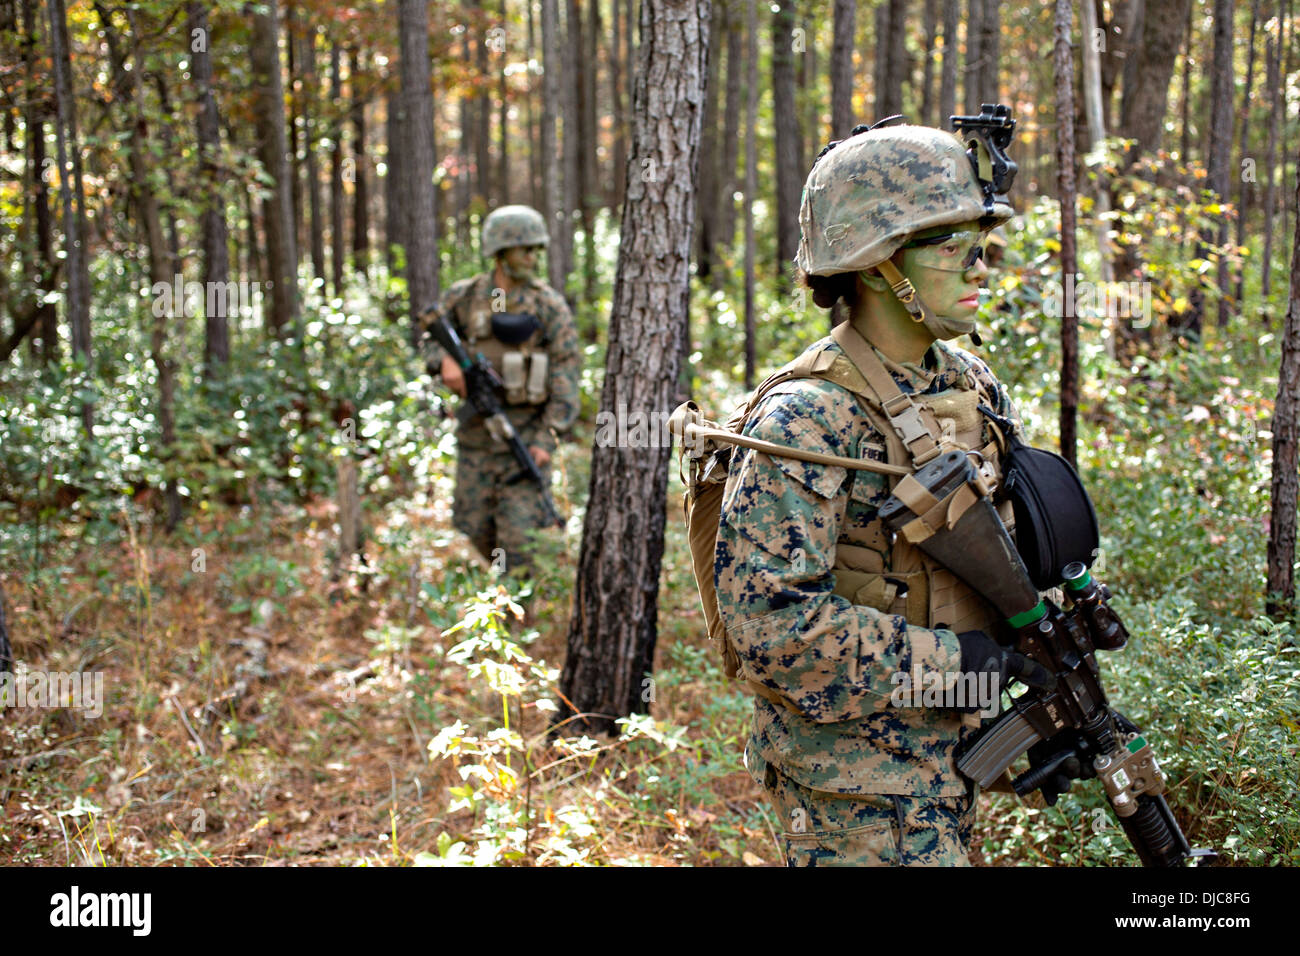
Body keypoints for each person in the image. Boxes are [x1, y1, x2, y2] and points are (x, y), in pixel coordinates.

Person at [713, 121, 1049, 866]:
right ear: (873, 266)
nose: (980, 268)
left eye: (983, 246)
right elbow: (768, 628)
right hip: (854, 788)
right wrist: (952, 663)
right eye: (950, 247)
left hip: (952, 763)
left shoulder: (970, 384)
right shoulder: (808, 416)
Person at [420, 205, 580, 573]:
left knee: (521, 541)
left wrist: (545, 437)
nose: (531, 257)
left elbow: (567, 374)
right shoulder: (465, 296)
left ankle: (516, 612)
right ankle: (496, 595)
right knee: (473, 526)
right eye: (525, 249)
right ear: (500, 252)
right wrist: (442, 361)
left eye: (536, 250)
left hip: (524, 437)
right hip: (476, 438)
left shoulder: (547, 305)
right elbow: (429, 336)